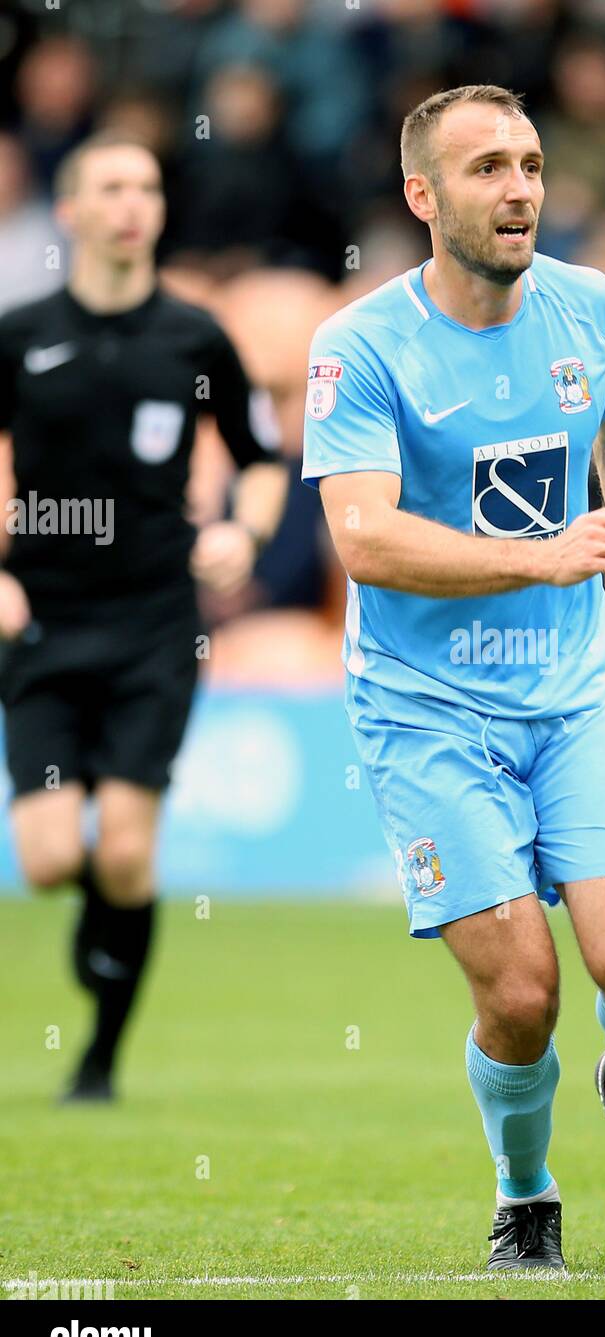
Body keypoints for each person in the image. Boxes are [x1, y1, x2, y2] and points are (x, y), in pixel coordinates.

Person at [303, 86, 605, 1271]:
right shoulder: (361, 345)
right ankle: (525, 1195)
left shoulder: (589, 309)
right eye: (486, 169)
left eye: (529, 164)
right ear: (424, 196)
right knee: (522, 993)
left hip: (572, 695)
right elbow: (364, 540)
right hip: (425, 712)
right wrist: (544, 555)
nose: (520, 187)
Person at [0, 132, 287, 1102]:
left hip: (156, 621)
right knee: (45, 860)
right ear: (71, 212)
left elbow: (259, 458)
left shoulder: (196, 337)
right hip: (40, 618)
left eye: (149, 188)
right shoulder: (19, 332)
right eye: (111, 188)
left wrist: (241, 535)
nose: (133, 204)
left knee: (124, 848)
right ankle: (103, 927)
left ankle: (100, 1059)